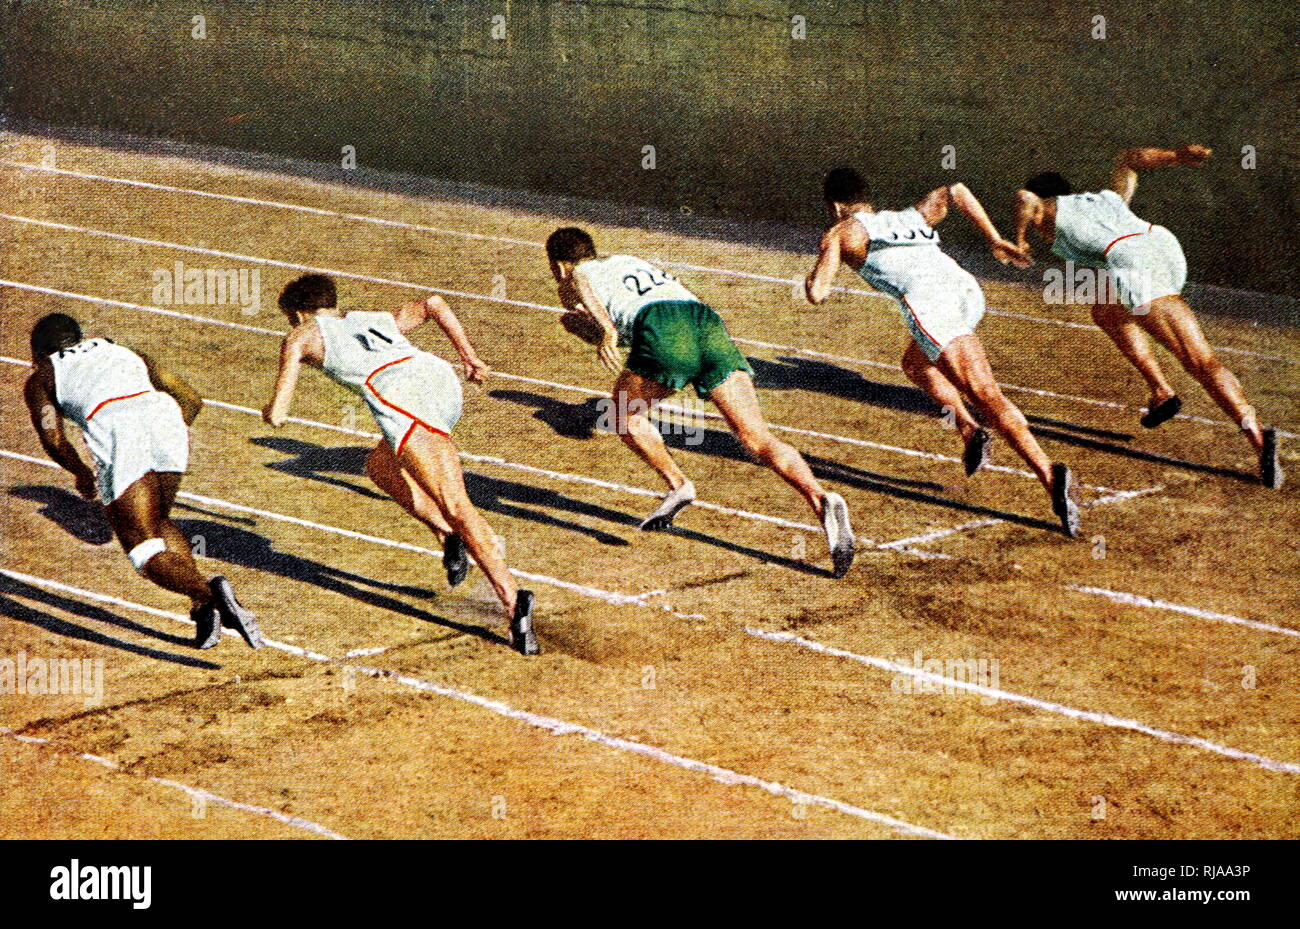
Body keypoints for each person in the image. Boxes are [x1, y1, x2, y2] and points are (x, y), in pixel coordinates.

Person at [545, 227, 856, 577]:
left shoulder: (576, 274)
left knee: (620, 416)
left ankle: (679, 485)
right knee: (757, 438)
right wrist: (600, 329)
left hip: (664, 329)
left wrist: (604, 328)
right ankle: (821, 498)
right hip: (705, 323)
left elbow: (585, 289)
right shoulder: (629, 261)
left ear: (558, 265)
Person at [262, 274, 537, 654]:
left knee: (456, 505)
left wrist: (270, 409)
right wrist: (469, 358)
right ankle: (448, 536)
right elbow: (434, 303)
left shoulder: (300, 335)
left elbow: (277, 416)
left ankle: (513, 600)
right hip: (439, 381)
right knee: (381, 467)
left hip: (405, 400)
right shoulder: (366, 317)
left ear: (295, 313)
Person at [806, 167, 1080, 536]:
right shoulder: (910, 214)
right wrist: (994, 239)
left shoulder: (842, 232)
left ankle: (1050, 474)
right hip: (966, 291)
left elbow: (817, 294)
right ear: (867, 199)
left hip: (932, 306)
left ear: (836, 206)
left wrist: (822, 259)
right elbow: (957, 189)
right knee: (916, 364)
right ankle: (969, 430)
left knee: (986, 394)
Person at [1010, 144, 1281, 488]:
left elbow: (1023, 198)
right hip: (1162, 246)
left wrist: (1018, 241)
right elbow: (1127, 158)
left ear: (1047, 198)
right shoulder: (1107, 199)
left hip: (1133, 262)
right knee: (1107, 311)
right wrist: (1178, 156)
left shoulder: (1046, 209)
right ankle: (1160, 391)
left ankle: (1258, 438)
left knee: (1198, 361)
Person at [23, 312, 262, 649]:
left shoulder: (43, 376)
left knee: (141, 546)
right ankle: (203, 606)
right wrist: (167, 435)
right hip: (164, 416)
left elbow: (53, 439)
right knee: (158, 520)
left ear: (37, 353)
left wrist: (82, 474)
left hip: (119, 427)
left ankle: (209, 592)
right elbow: (190, 398)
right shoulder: (118, 348)